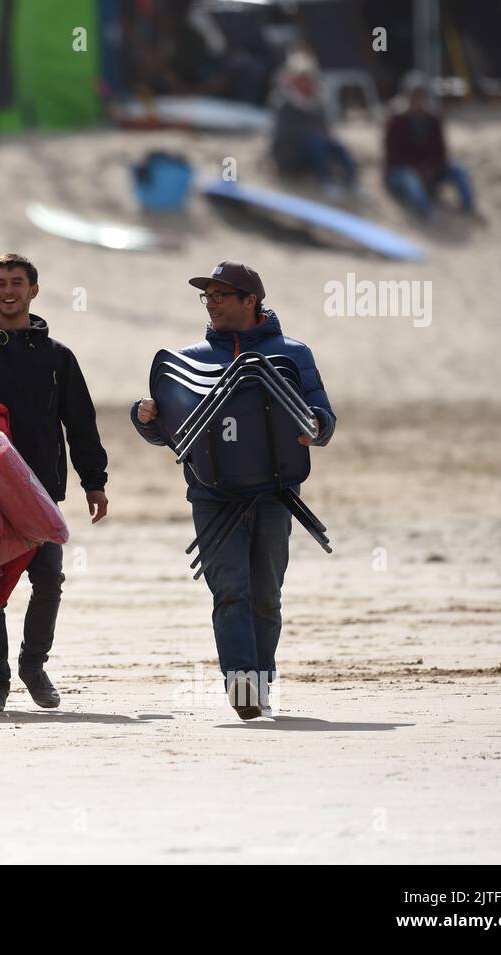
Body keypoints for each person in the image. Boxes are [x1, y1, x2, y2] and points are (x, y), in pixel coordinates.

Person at [131, 261, 335, 720]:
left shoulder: (294, 353)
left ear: (251, 302)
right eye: (208, 295)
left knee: (265, 594)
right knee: (230, 591)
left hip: (274, 492)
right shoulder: (189, 358)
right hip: (213, 495)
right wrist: (143, 416)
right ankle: (243, 684)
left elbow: (322, 413)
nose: (213, 303)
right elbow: (171, 429)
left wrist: (317, 425)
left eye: (222, 295)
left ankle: (261, 681)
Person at [0, 254, 109, 712]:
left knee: (48, 581)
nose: (9, 290)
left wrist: (94, 480)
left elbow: (80, 423)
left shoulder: (58, 357)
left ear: (34, 291)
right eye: (0, 283)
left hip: (41, 489)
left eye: (17, 282)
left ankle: (33, 667)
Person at [383, 73, 477, 220]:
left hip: (429, 170)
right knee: (410, 177)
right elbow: (394, 156)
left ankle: (469, 207)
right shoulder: (396, 122)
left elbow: (441, 151)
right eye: (415, 97)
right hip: (401, 172)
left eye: (421, 97)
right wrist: (418, 168)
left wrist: (431, 168)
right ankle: (426, 213)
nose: (418, 101)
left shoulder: (433, 120)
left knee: (458, 169)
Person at [270, 51, 358, 197]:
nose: (307, 83)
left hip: (313, 150)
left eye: (309, 80)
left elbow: (325, 130)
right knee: (316, 142)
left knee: (337, 146)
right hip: (290, 155)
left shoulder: (317, 104)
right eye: (303, 79)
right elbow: (286, 134)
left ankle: (352, 183)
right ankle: (327, 183)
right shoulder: (285, 104)